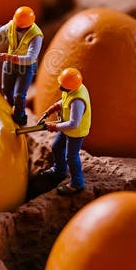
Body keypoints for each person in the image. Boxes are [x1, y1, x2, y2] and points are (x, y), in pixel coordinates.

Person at [0, 6, 43, 126]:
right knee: (6, 89)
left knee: (19, 95)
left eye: (21, 28)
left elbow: (30, 58)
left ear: (29, 26)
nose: (17, 28)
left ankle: (19, 117)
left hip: (25, 68)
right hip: (10, 65)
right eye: (17, 25)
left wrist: (10, 57)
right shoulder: (12, 25)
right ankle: (9, 108)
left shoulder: (36, 36)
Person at [39, 67, 91, 195]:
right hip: (66, 127)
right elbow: (65, 100)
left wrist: (55, 127)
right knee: (57, 147)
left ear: (70, 87)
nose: (60, 88)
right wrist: (54, 107)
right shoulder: (73, 88)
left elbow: (74, 124)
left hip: (75, 132)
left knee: (71, 157)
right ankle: (59, 170)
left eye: (63, 86)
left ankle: (77, 184)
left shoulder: (78, 101)